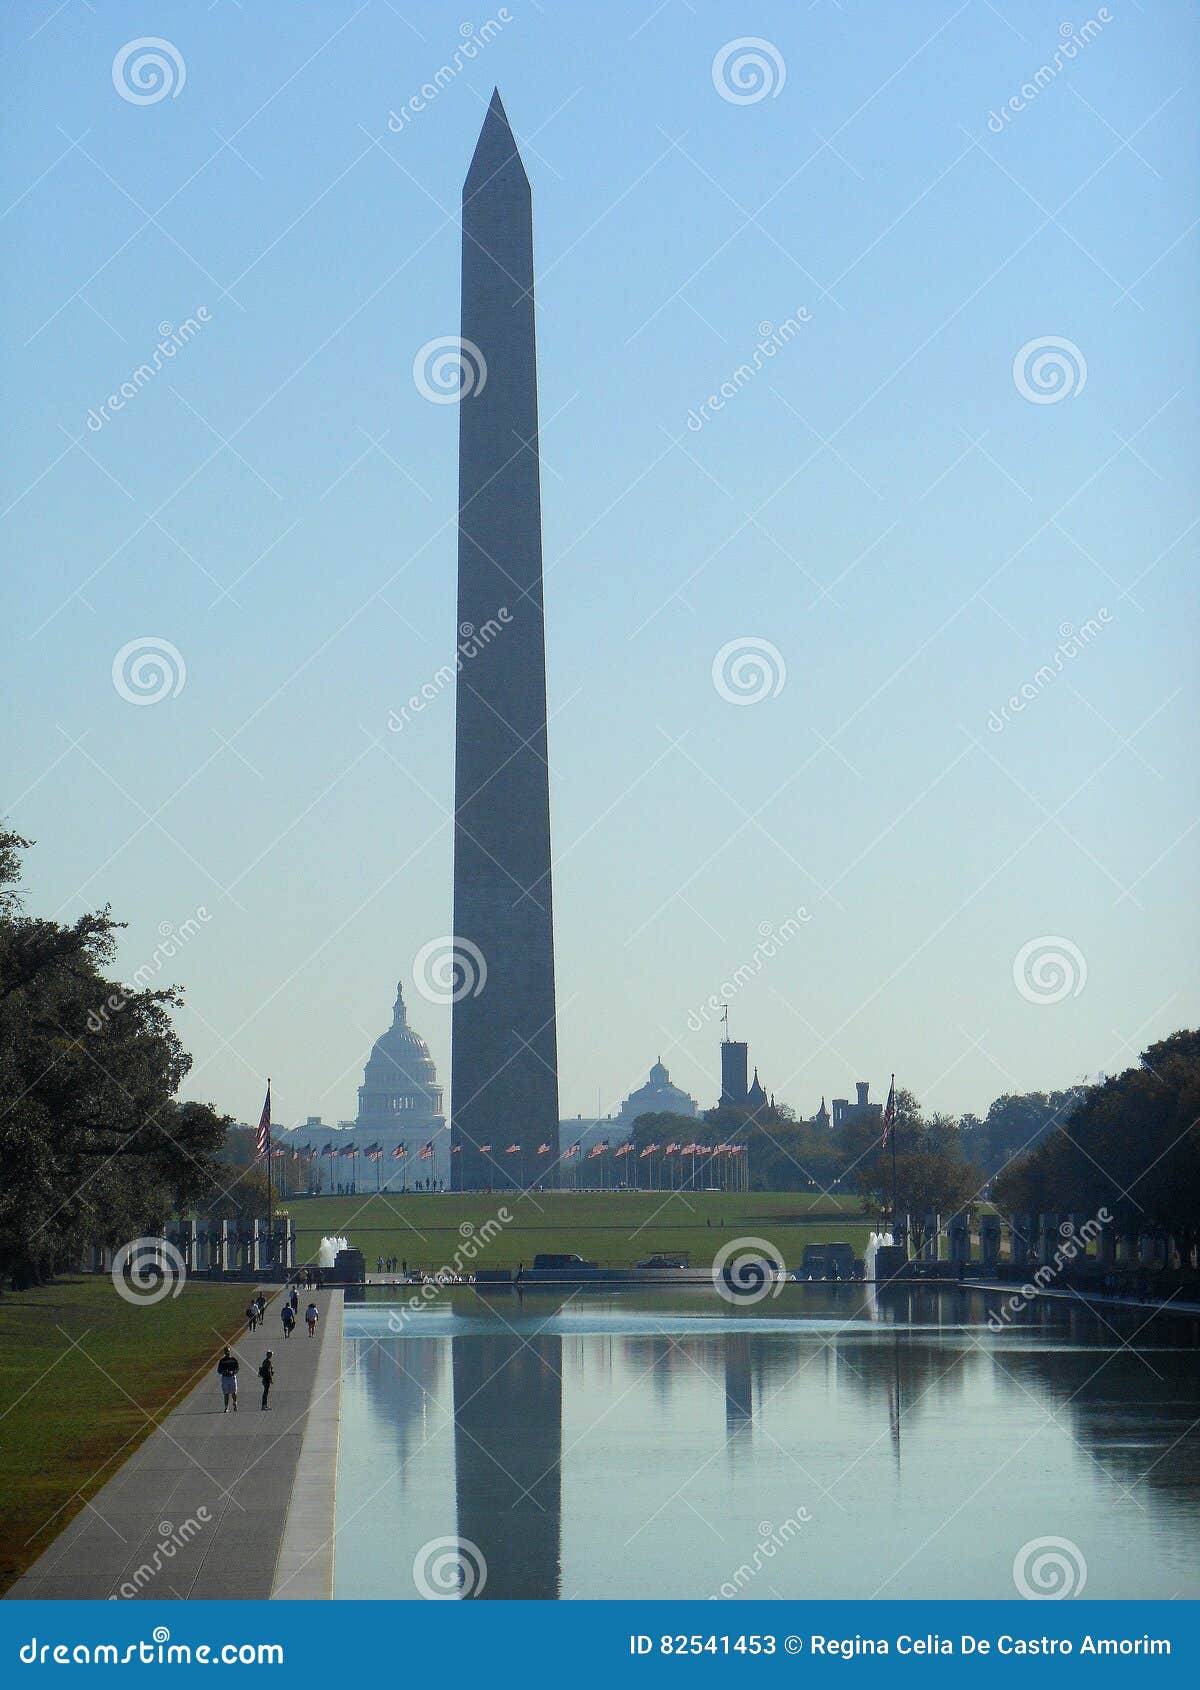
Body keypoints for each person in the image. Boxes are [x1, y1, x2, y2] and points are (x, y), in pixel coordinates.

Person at [217, 1347, 239, 1413]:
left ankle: (235, 1403)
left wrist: (233, 1372)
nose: (227, 1352)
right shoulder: (222, 1361)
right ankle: (226, 1407)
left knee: (234, 1392)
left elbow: (237, 1368)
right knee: (226, 1393)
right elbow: (219, 1370)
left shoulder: (233, 1359)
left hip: (232, 1377)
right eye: (226, 1351)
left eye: (228, 1351)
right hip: (225, 1378)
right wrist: (223, 1372)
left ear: (230, 1351)